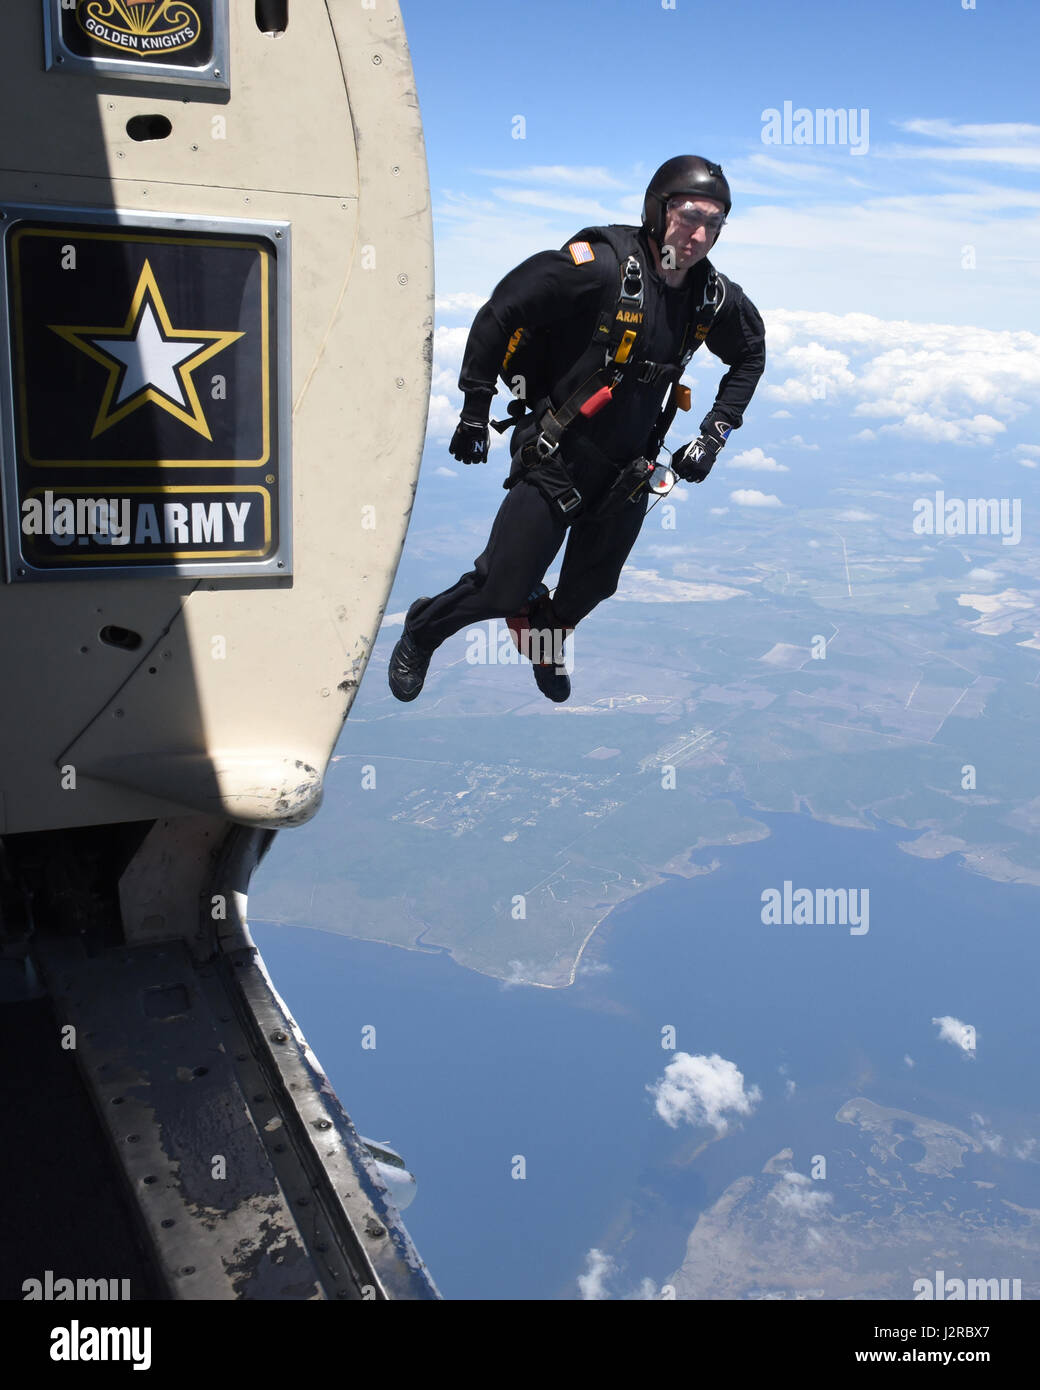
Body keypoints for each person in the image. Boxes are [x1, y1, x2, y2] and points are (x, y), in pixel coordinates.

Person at [389, 155, 766, 704]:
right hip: (558, 457)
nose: (700, 235)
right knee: (501, 588)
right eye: (690, 216)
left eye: (715, 223)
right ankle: (423, 629)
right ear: (657, 210)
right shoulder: (600, 266)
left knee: (591, 587)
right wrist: (475, 408)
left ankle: (542, 637)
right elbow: (501, 310)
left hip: (629, 471)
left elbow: (750, 355)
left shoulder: (711, 296)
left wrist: (714, 434)